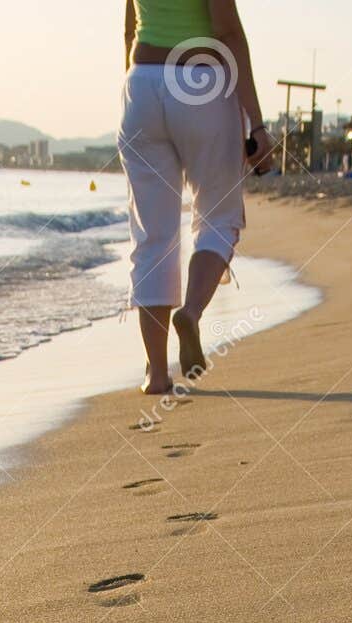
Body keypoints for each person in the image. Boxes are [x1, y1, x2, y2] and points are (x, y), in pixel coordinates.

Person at [118, 1, 274, 393]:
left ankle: (156, 373)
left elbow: (129, 28)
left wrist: (139, 92)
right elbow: (228, 31)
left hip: (141, 82)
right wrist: (257, 124)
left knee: (152, 236)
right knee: (218, 217)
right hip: (201, 82)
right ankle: (190, 312)